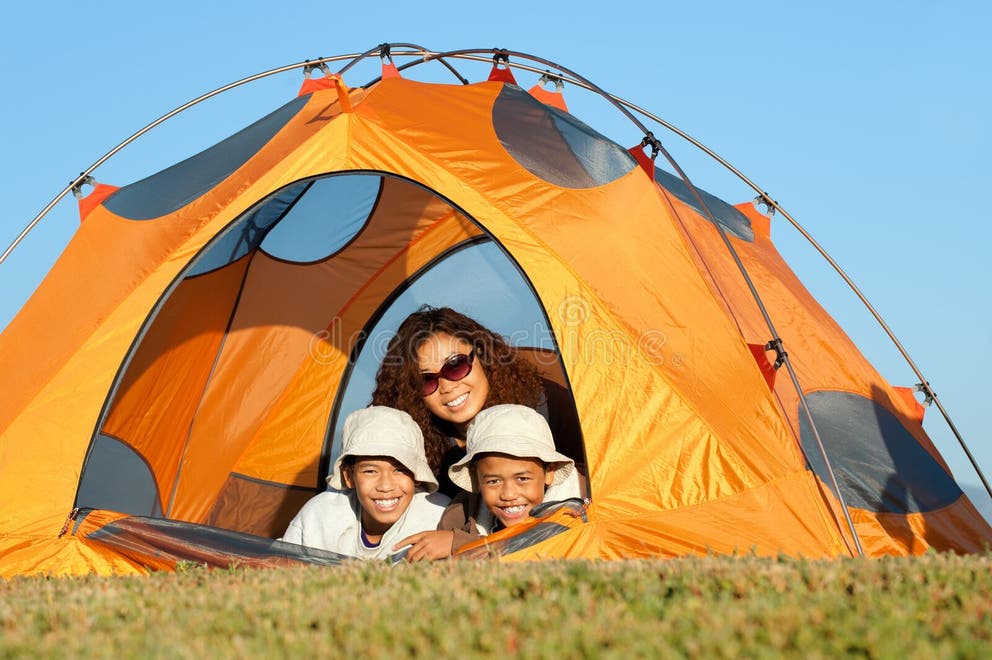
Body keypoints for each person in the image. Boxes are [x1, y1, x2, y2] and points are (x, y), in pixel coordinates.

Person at [370, 306, 584, 497]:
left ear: (480, 353)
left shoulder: (545, 403)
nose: (447, 387)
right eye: (426, 380)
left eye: (455, 365)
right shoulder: (421, 450)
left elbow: (595, 469)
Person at [396, 404, 576, 561]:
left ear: (549, 473)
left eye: (522, 479)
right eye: (493, 481)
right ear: (476, 479)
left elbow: (546, 550)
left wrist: (460, 543)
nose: (508, 495)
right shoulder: (462, 512)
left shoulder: (573, 513)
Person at [280, 406, 449, 560]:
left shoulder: (436, 517)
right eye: (370, 471)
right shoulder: (320, 514)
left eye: (399, 470)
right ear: (349, 476)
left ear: (417, 474)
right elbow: (281, 563)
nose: (386, 486)